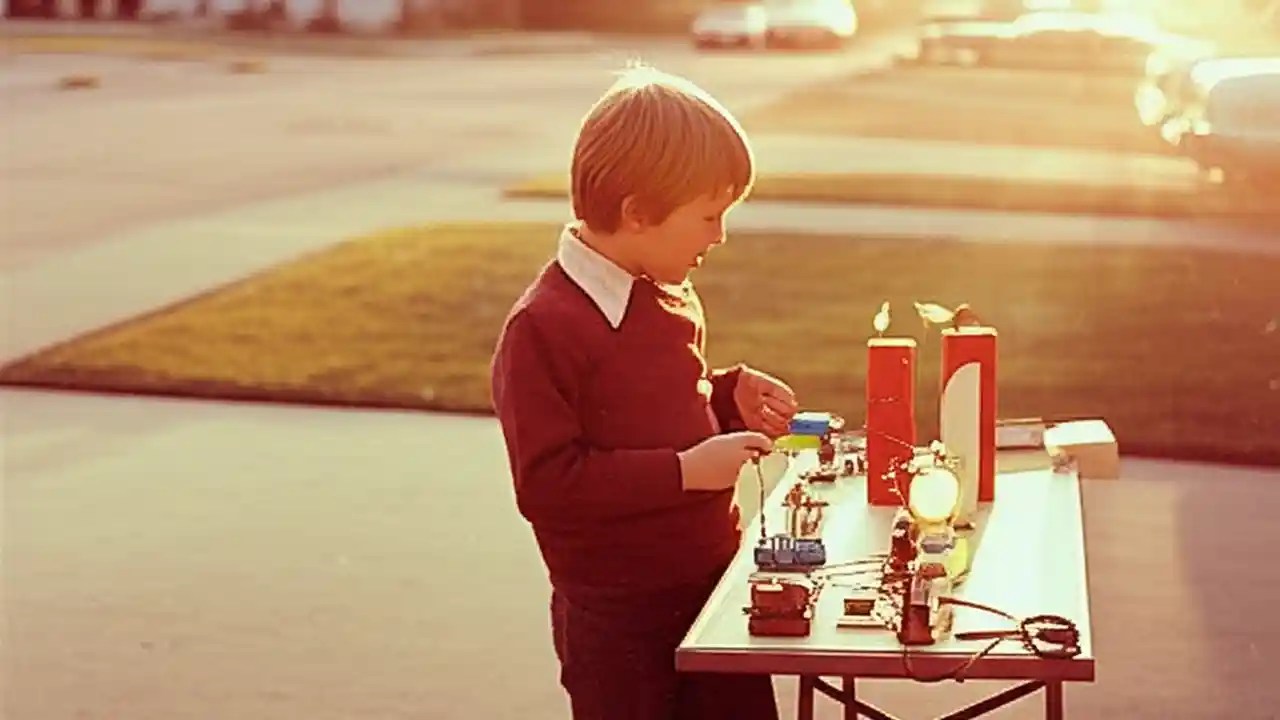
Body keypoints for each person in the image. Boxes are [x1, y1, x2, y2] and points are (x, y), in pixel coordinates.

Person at [489, 62, 799, 720]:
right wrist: (687, 472)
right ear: (637, 214)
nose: (720, 236)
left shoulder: (668, 292)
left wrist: (723, 397)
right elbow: (549, 484)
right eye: (709, 216)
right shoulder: (543, 328)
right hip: (618, 622)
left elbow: (654, 409)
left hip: (711, 590)